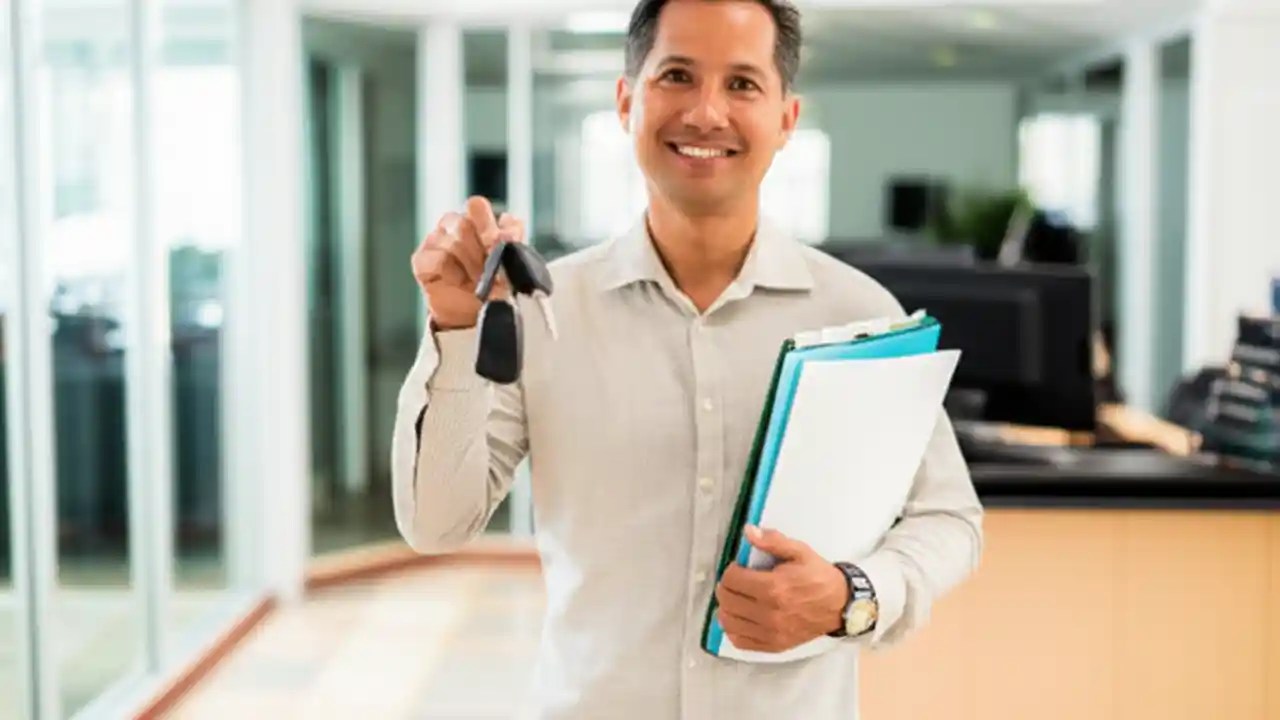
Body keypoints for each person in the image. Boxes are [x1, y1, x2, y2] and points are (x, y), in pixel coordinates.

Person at [392, 0, 983, 717]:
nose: (706, 113)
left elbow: (949, 518)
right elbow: (436, 524)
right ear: (626, 101)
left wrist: (853, 595)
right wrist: (455, 329)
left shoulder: (858, 313)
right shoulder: (545, 312)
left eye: (742, 84)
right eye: (677, 75)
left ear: (787, 118)